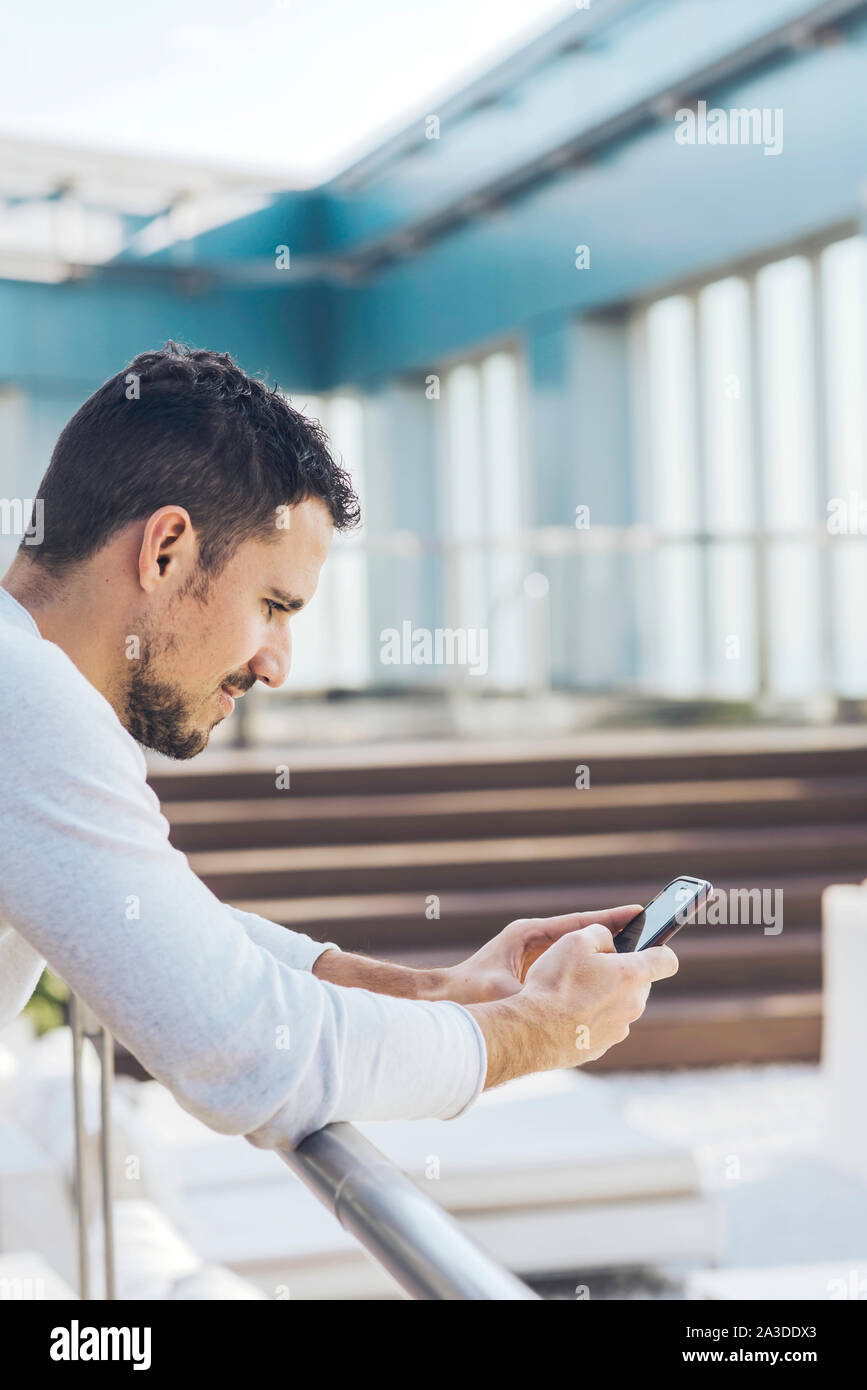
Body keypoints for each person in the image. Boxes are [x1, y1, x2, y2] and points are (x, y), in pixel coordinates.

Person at [0, 342, 677, 1151]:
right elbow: (247, 1056)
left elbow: (160, 929)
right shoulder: (29, 703)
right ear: (165, 550)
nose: (276, 664)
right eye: (273, 605)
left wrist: (437, 992)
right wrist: (537, 1030)